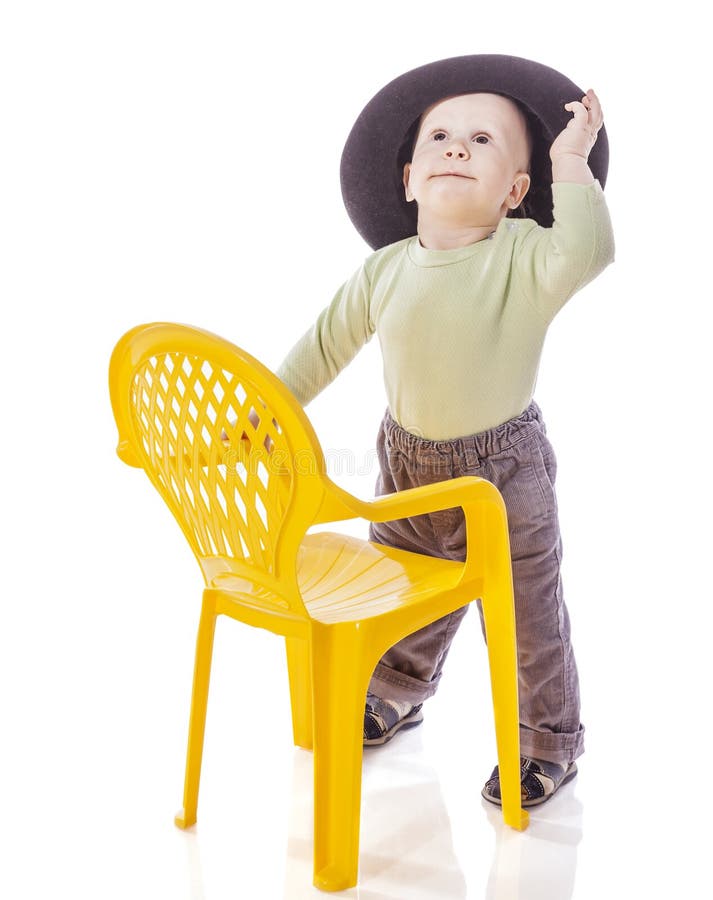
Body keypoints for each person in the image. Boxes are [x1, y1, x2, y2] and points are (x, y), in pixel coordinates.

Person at [273, 55, 615, 807]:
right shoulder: (385, 270)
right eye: (440, 136)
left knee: (525, 614)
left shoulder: (525, 255)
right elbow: (322, 346)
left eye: (483, 140)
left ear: (515, 193)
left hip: (504, 472)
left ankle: (545, 742)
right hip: (405, 462)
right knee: (402, 586)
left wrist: (570, 160)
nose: (457, 146)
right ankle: (396, 690)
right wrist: (269, 410)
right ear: (407, 179)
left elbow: (590, 251)